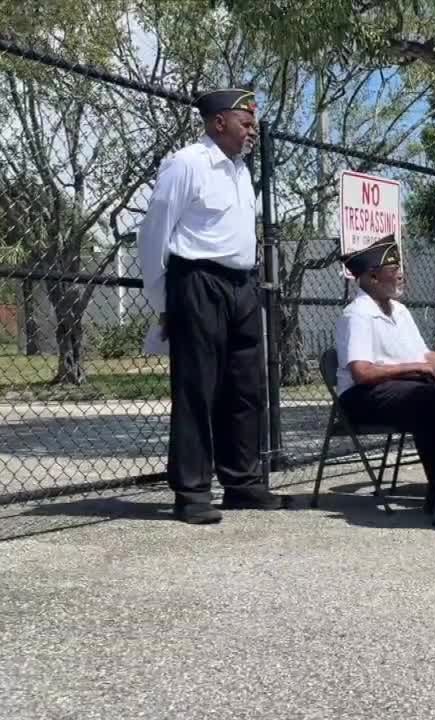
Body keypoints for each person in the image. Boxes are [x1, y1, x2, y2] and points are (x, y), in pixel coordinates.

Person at [138, 87, 293, 524]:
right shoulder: (187, 163)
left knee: (246, 388)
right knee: (196, 390)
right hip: (198, 281)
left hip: (243, 285)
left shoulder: (241, 171)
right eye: (245, 122)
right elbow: (154, 234)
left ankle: (242, 482)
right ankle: (192, 492)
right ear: (217, 122)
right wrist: (163, 299)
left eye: (253, 123)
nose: (252, 130)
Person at [332, 237, 435, 518]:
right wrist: (414, 369)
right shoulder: (357, 315)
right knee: (430, 399)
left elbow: (425, 357)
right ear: (372, 276)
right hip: (362, 397)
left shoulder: (400, 310)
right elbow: (362, 372)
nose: (400, 273)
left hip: (401, 388)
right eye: (393, 267)